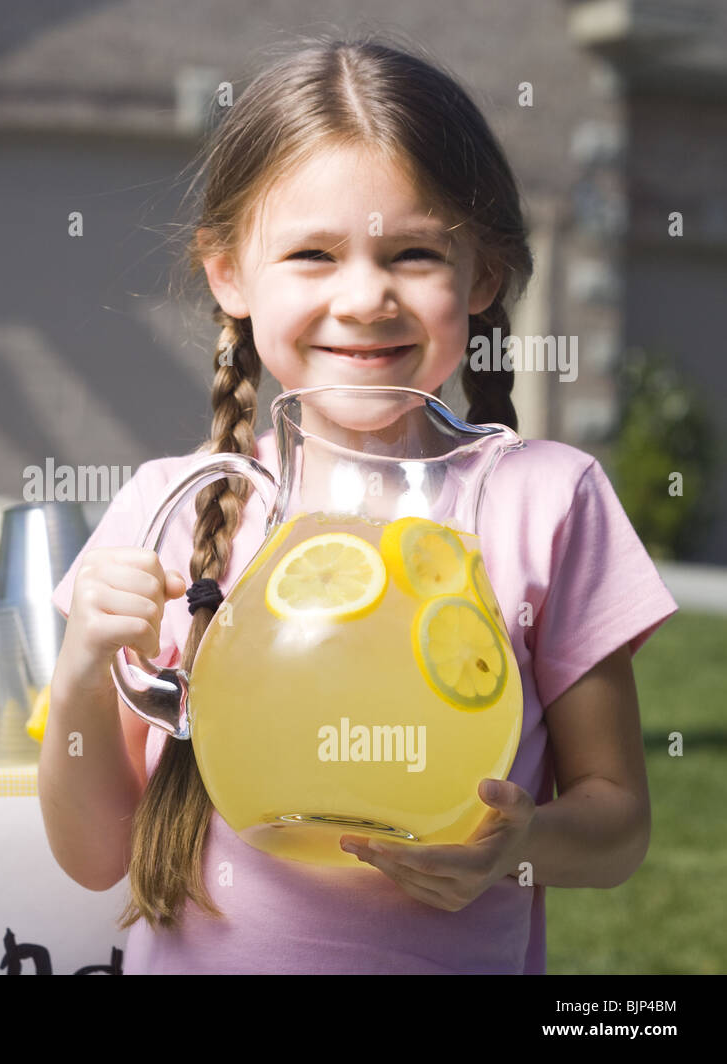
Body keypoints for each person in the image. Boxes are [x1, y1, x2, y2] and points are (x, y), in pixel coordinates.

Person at [39, 35, 679, 974]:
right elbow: (93, 856)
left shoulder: (546, 500)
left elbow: (617, 826)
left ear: (485, 274)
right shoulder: (173, 509)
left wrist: (522, 848)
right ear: (229, 274)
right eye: (312, 253)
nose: (366, 297)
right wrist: (83, 673)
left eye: (415, 252)